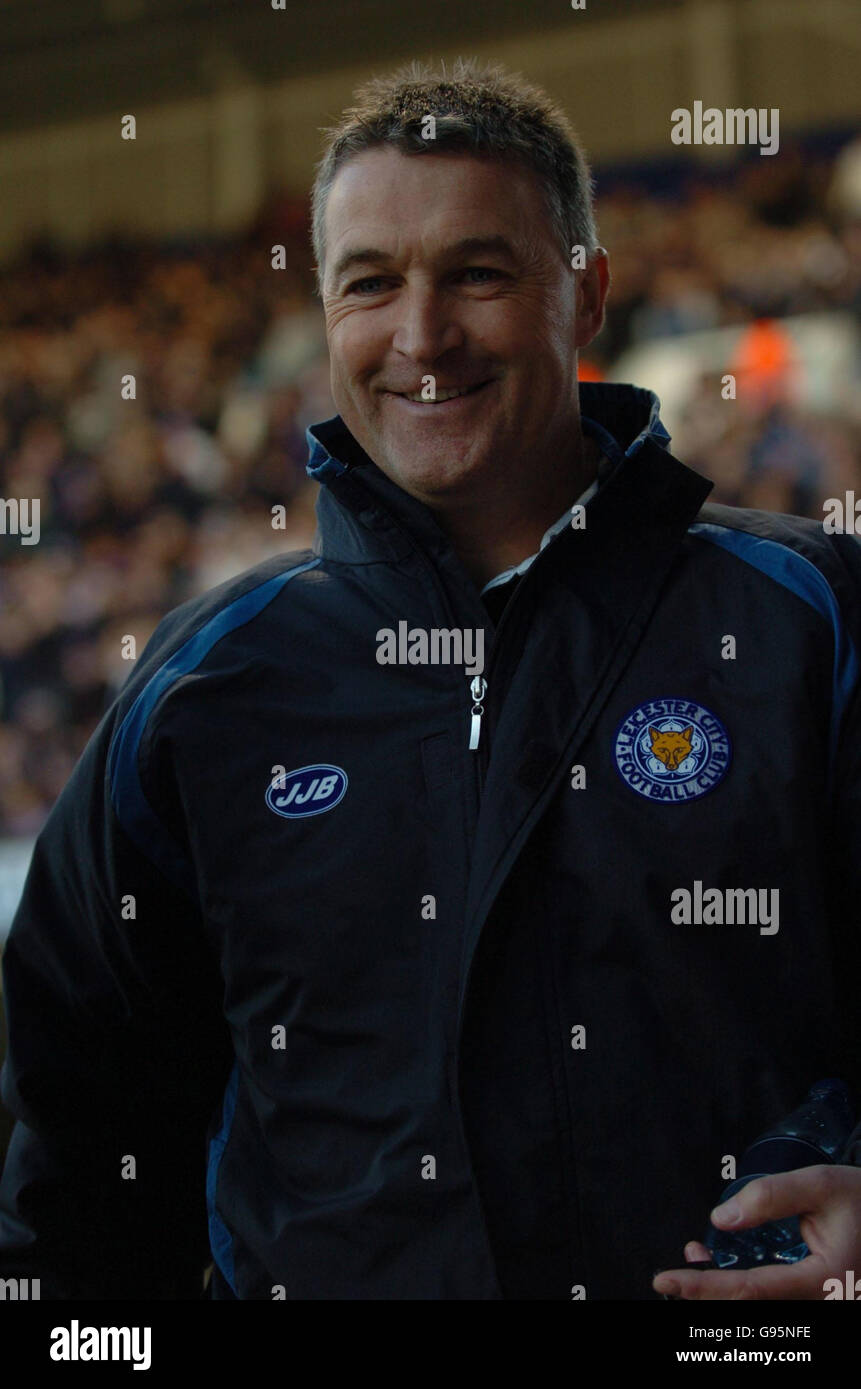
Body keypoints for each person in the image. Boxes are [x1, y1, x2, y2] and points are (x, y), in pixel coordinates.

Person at [2, 56, 861, 1302]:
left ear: (588, 291)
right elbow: (75, 1160)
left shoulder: (812, 623)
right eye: (371, 284)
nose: (422, 336)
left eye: (477, 272)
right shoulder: (203, 692)